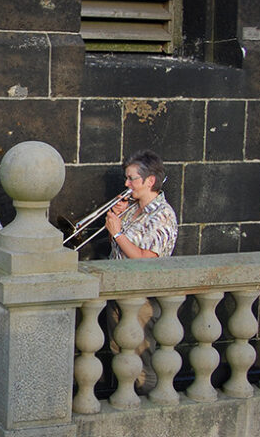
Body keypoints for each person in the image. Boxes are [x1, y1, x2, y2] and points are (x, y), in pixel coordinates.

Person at [104, 149, 178, 393]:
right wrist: (118, 216)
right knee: (120, 355)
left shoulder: (163, 215)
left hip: (141, 299)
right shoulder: (131, 208)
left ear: (150, 181)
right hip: (118, 292)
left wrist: (117, 232)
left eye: (132, 178)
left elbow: (145, 259)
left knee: (143, 366)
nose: (126, 183)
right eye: (127, 178)